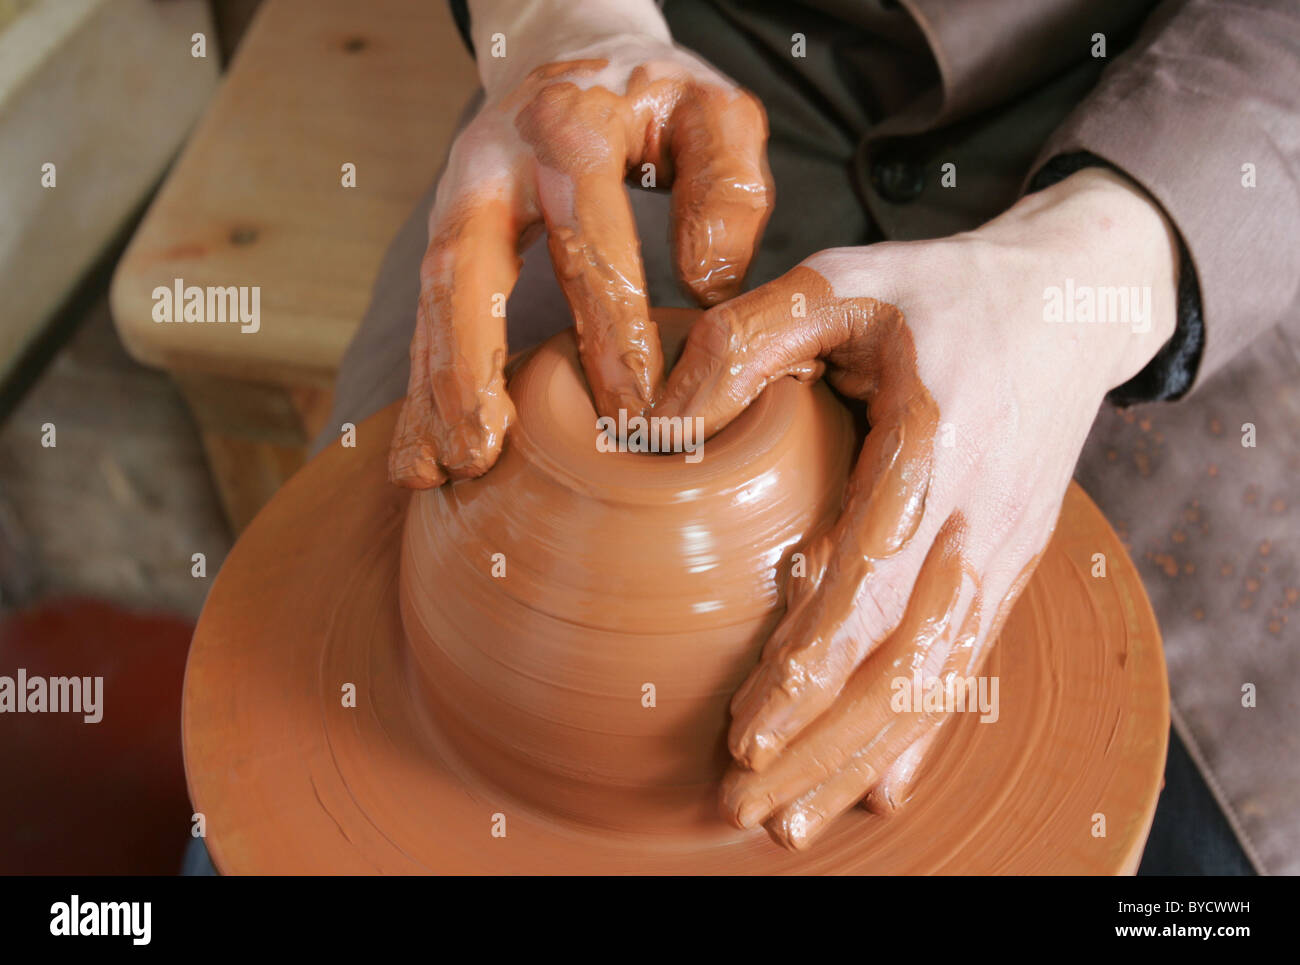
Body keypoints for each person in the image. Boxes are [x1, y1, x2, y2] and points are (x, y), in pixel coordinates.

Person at [321, 0, 1299, 871]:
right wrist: (557, 26)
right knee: (367, 652)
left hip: (1157, 133)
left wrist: (1090, 278)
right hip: (669, 88)